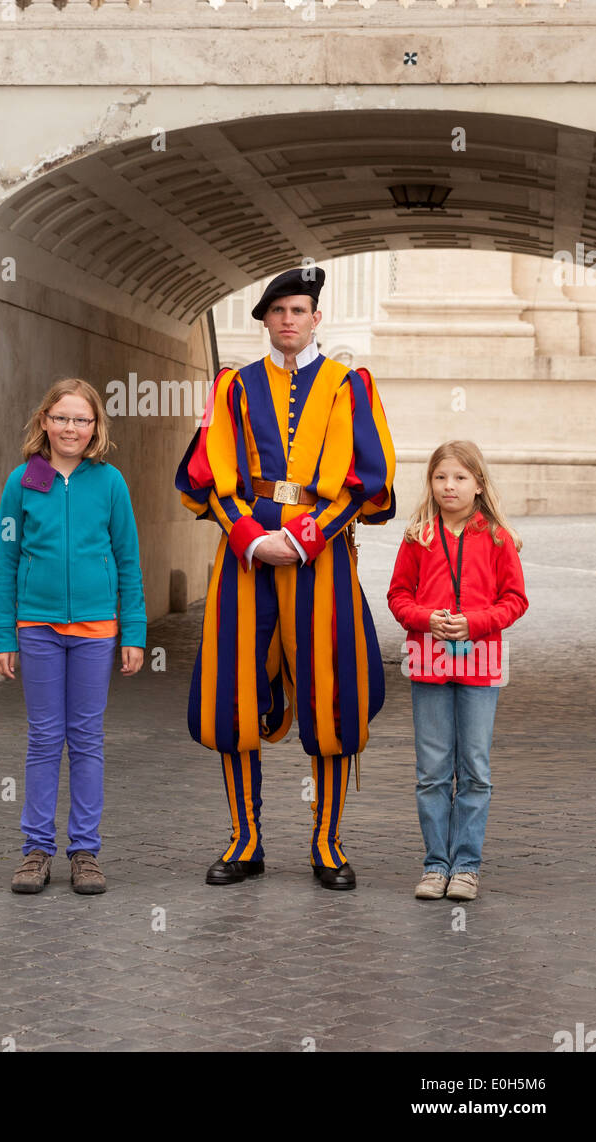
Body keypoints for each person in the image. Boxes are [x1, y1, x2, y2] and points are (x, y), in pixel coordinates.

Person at [176, 266, 396, 890]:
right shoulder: (235, 386)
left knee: (332, 694)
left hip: (321, 554)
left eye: (299, 310)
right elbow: (206, 475)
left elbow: (367, 479)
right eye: (278, 312)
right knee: (235, 695)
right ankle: (245, 840)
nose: (289, 320)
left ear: (316, 317)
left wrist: (303, 537)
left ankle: (327, 843)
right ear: (266, 320)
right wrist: (248, 535)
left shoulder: (349, 385)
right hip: (246, 555)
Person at [0, 378, 146, 896]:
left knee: (86, 739)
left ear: (96, 427)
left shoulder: (110, 483)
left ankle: (85, 852)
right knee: (42, 738)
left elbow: (128, 559)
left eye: (82, 420)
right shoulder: (22, 482)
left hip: (96, 631)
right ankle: (36, 850)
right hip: (36, 628)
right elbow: (6, 560)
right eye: (62, 418)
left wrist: (135, 631)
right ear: (44, 422)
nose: (71, 428)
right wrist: (2, 633)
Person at [387, 440, 528, 902]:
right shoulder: (417, 537)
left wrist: (476, 622)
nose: (450, 486)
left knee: (474, 770)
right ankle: (435, 865)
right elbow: (398, 596)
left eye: (460, 477)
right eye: (441, 476)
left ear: (478, 484)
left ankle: (465, 866)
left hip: (479, 664)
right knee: (431, 771)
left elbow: (515, 599)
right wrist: (426, 618)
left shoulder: (498, 538)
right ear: (430, 482)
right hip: (428, 662)